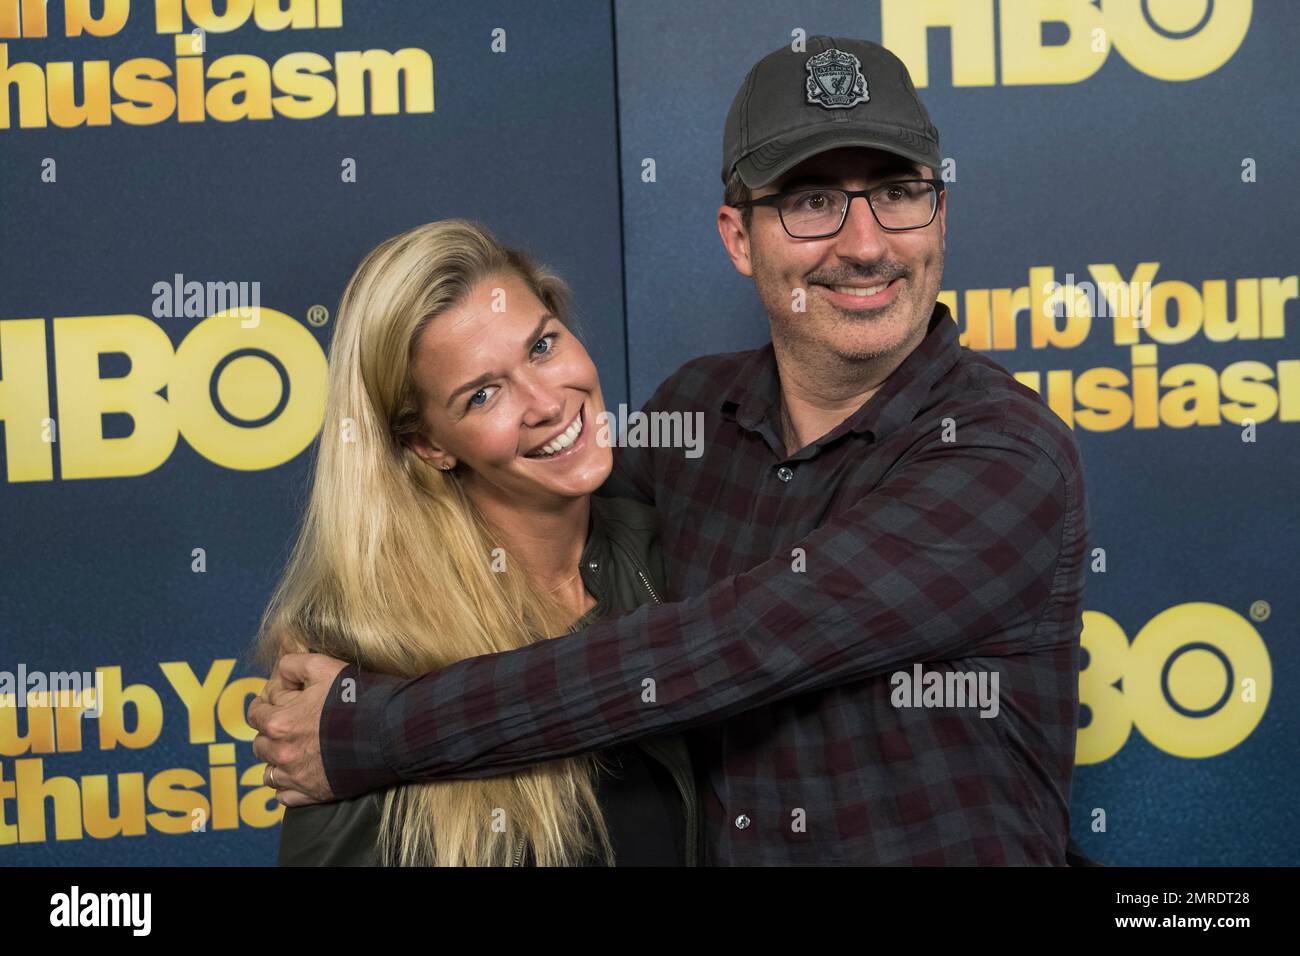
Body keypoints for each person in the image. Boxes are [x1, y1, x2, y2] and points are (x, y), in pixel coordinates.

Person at [250, 37, 1093, 865]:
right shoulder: (697, 414)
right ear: (738, 236)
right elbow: (528, 503)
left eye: (900, 192)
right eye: (810, 202)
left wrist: (373, 729)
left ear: (940, 213)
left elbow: (735, 645)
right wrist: (367, 622)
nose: (867, 244)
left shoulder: (1003, 454)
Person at [255, 219, 696, 866]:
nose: (547, 403)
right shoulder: (367, 657)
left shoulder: (676, 547)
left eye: (542, 346)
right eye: (484, 394)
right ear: (428, 445)